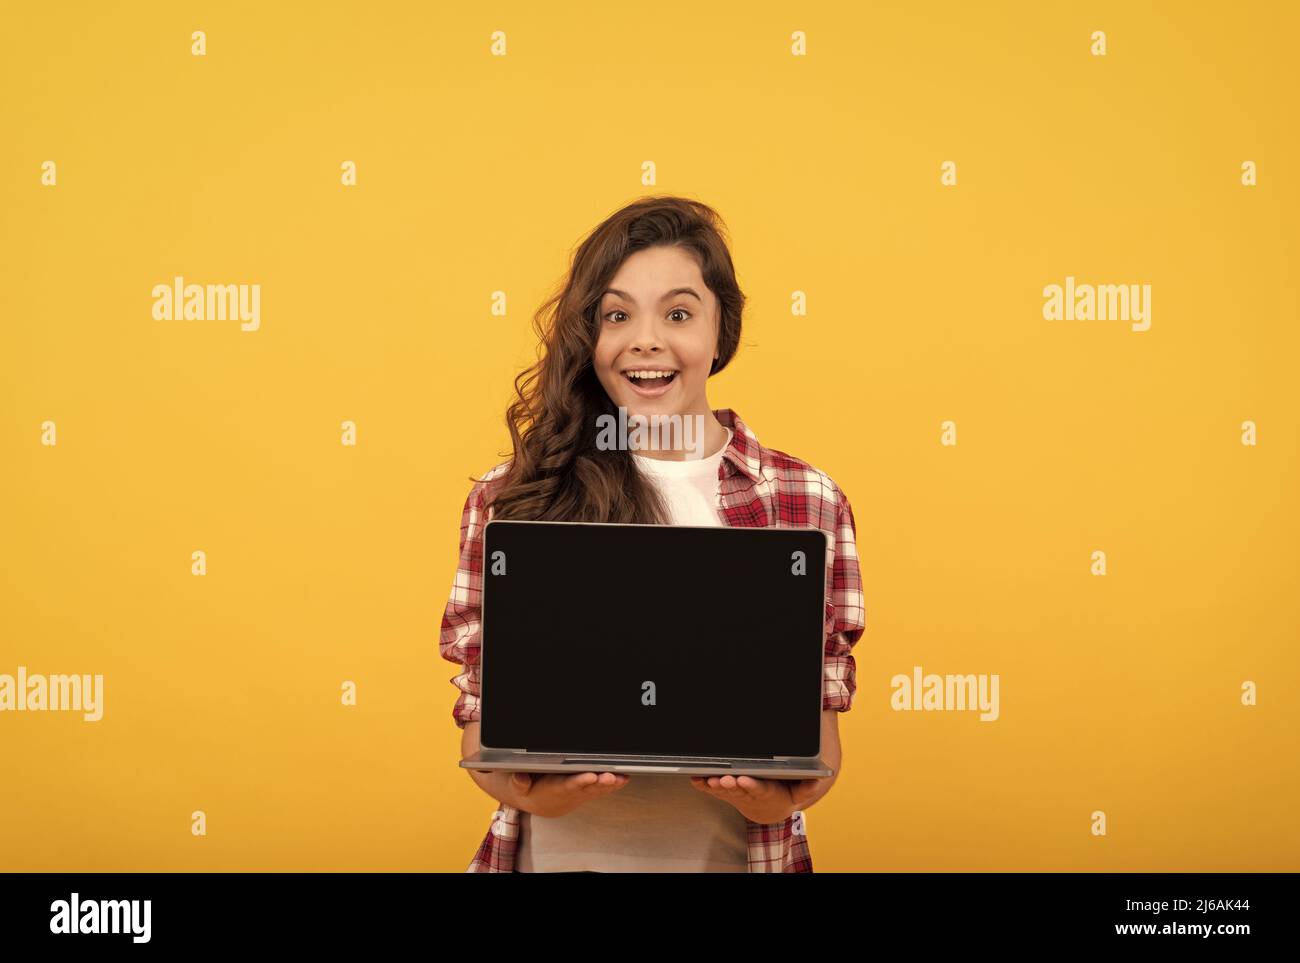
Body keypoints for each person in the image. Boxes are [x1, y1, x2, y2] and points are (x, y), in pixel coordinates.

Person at [439, 195, 865, 872]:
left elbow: (820, 748)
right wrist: (533, 793)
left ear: (721, 331)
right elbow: (482, 733)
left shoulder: (806, 499)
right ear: (590, 335)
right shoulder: (511, 497)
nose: (646, 339)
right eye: (617, 315)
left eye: (678, 312)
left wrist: (773, 799)